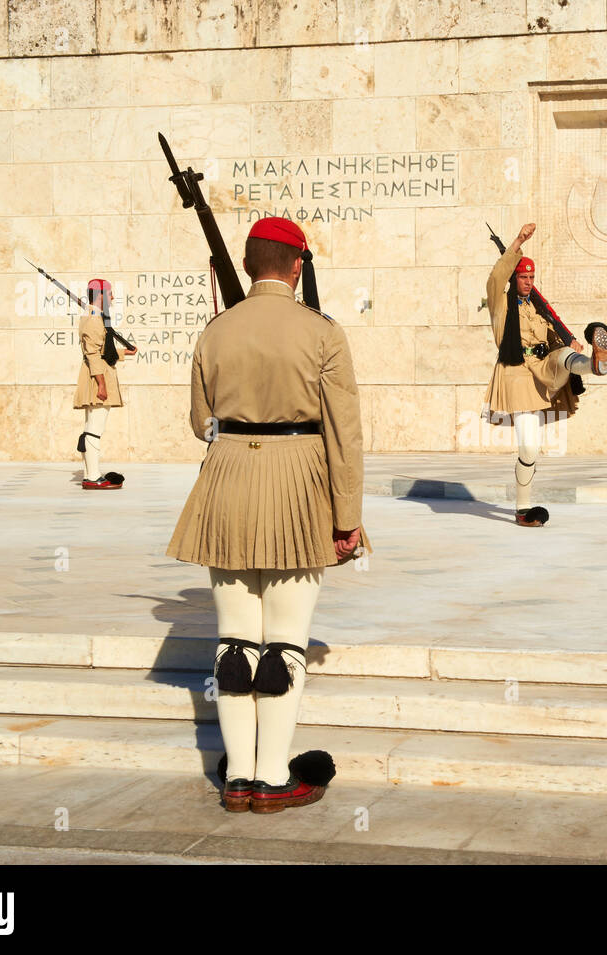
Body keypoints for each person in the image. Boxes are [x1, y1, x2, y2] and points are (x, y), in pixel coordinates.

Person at [166, 216, 363, 812]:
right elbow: (343, 432)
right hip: (299, 479)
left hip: (226, 480)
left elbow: (200, 422)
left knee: (233, 643)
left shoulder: (215, 330)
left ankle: (237, 778)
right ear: (297, 265)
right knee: (285, 642)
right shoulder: (322, 332)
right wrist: (347, 514)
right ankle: (272, 777)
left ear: (249, 266)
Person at [482, 222, 607, 527]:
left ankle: (593, 363)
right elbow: (496, 276)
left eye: (531, 278)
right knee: (529, 447)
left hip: (545, 366)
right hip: (517, 373)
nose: (527, 282)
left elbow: (555, 336)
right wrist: (517, 241)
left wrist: (570, 341)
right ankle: (523, 509)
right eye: (523, 277)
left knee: (565, 356)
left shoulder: (537, 309)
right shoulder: (500, 304)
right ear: (515, 277)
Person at [73, 279, 135, 489]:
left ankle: (91, 474)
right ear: (100, 295)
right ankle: (92, 477)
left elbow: (102, 351)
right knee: (94, 429)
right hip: (96, 377)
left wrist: (124, 352)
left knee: (91, 428)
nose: (112, 298)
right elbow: (92, 354)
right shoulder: (93, 318)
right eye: (109, 294)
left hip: (97, 373)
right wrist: (101, 384)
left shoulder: (96, 316)